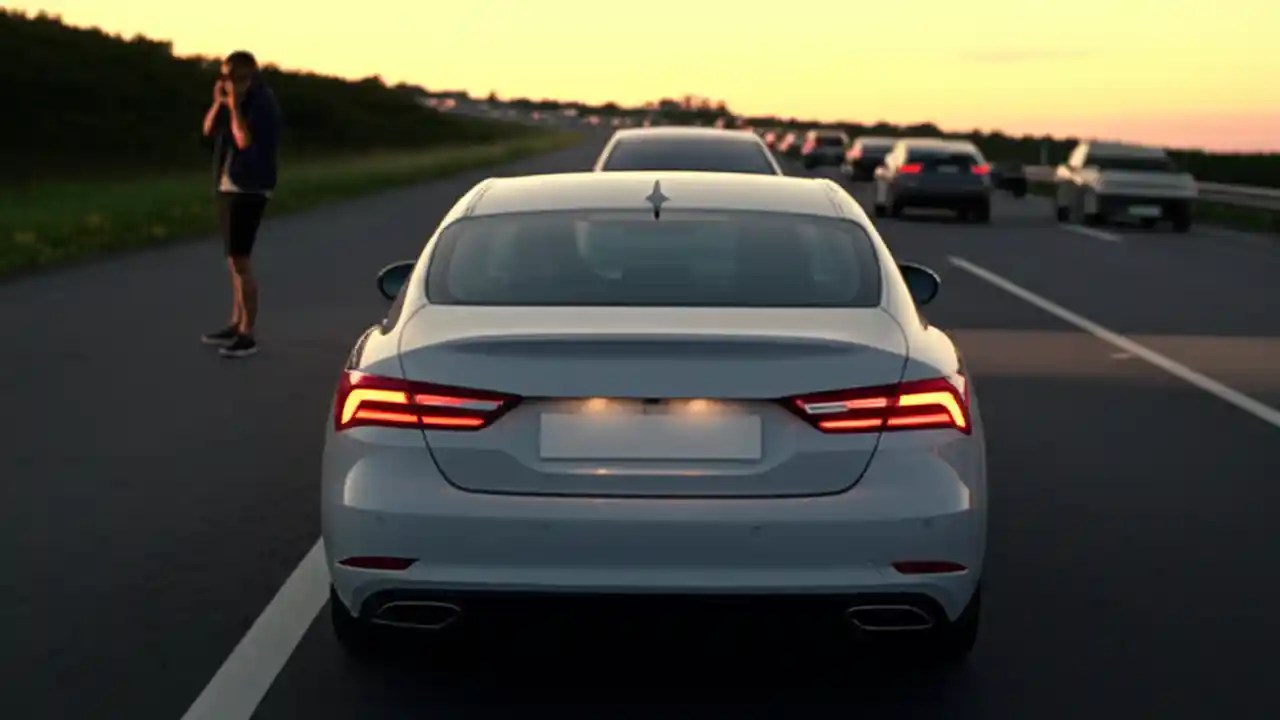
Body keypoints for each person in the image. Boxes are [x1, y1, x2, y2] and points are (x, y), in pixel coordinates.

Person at [200, 51, 281, 358]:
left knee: (241, 260)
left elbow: (244, 139)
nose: (229, 84)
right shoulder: (237, 101)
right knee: (233, 259)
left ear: (249, 77)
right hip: (228, 186)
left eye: (234, 78)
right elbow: (208, 131)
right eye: (225, 78)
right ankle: (235, 323)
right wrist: (219, 103)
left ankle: (248, 333)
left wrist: (233, 106)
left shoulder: (262, 103)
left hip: (251, 188)